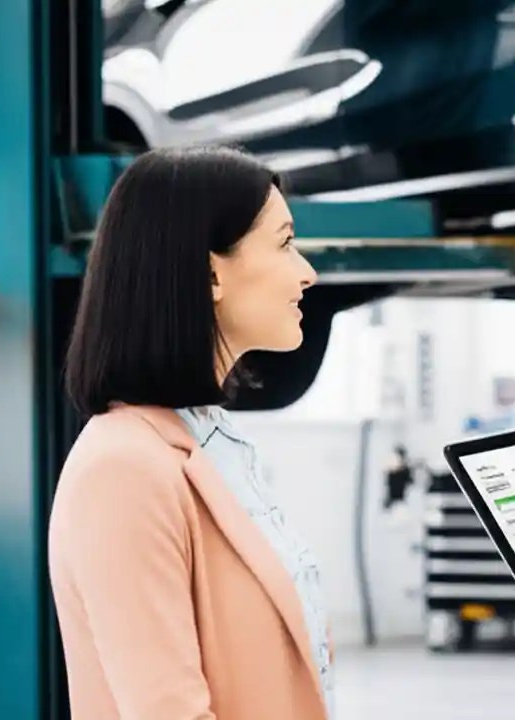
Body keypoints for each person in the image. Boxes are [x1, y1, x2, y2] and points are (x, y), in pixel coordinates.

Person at [49, 146, 332, 719]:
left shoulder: (209, 443)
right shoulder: (123, 471)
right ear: (209, 273)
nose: (307, 270)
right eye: (283, 242)